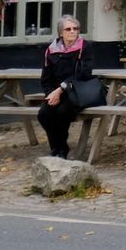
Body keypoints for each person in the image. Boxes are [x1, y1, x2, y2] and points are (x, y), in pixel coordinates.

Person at [38, 14, 94, 160]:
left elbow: (83, 74)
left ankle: (60, 150)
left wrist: (60, 90)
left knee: (62, 112)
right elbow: (46, 78)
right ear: (61, 33)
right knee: (44, 114)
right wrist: (51, 94)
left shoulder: (84, 47)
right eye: (68, 29)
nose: (72, 31)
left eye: (75, 28)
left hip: (77, 91)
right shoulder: (51, 50)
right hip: (56, 92)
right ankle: (57, 146)